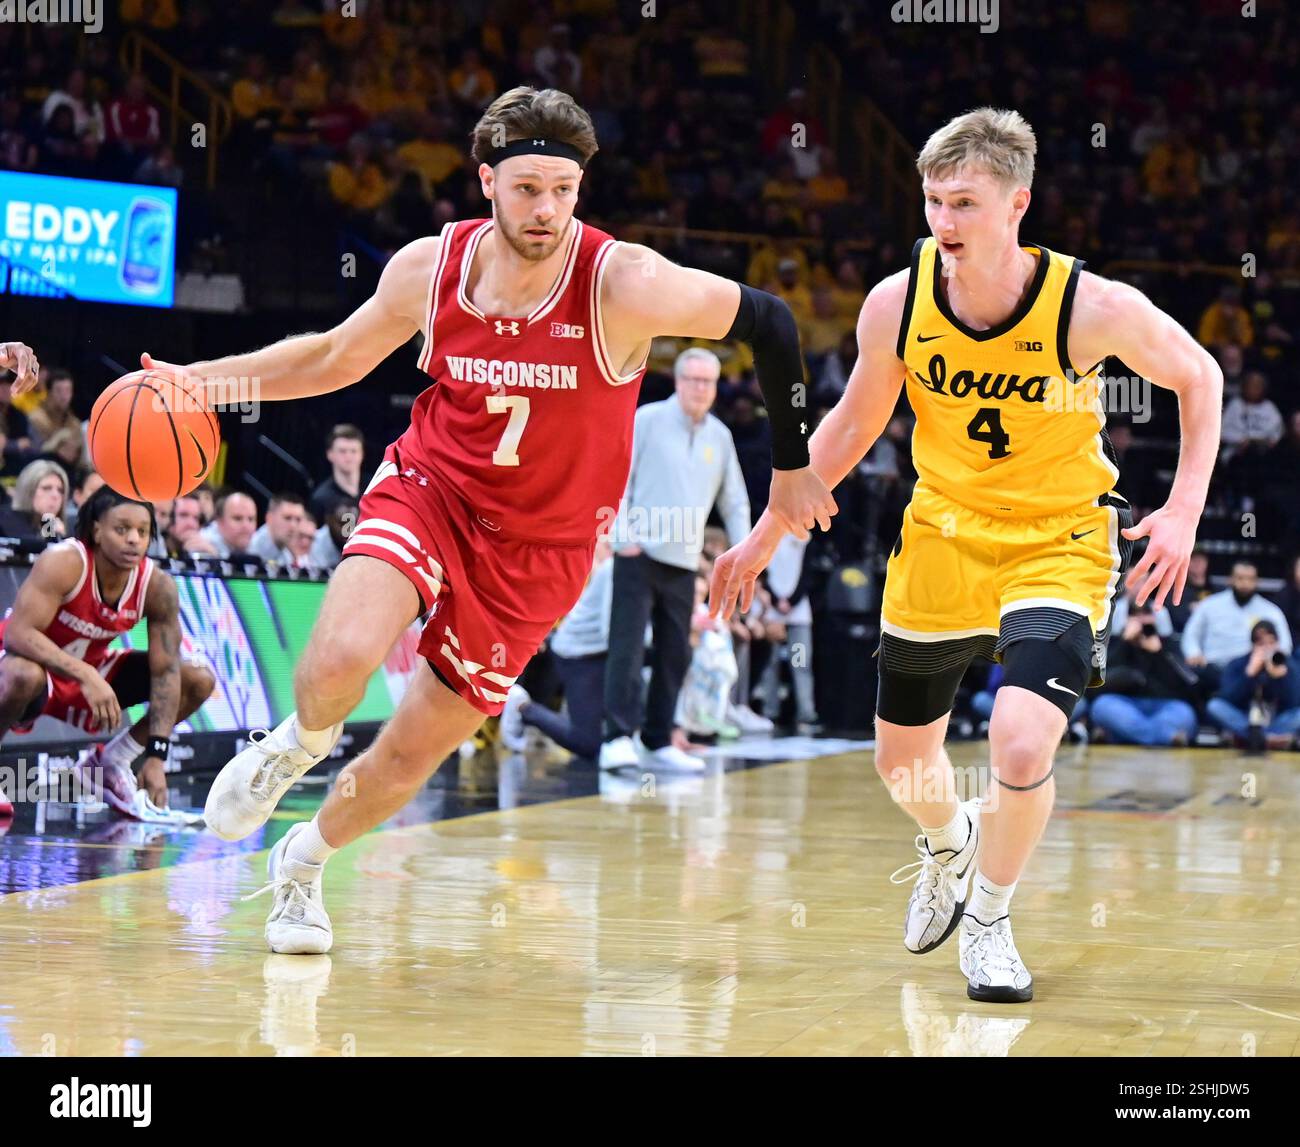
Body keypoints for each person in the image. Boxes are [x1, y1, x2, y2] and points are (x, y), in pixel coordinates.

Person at [109, 86, 831, 954]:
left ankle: (302, 863)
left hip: (542, 551)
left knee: (410, 754)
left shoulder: (622, 282)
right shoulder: (430, 267)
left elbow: (775, 321)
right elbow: (335, 355)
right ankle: (292, 745)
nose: (549, 210)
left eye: (565, 190)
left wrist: (792, 466)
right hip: (434, 487)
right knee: (337, 660)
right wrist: (207, 381)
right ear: (486, 180)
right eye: (528, 188)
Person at [711, 108, 1222, 1003]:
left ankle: (990, 914)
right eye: (933, 201)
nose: (943, 223)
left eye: (965, 203)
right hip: (943, 534)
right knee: (900, 760)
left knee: (1020, 744)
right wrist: (761, 536)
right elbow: (852, 427)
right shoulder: (897, 301)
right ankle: (949, 843)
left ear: (1018, 203)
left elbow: (1199, 376)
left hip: (1059, 539)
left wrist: (1183, 508)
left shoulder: (1087, 305)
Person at [0, 488, 215, 818]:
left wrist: (157, 755)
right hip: (28, 663)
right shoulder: (66, 561)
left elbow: (166, 672)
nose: (133, 539)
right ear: (97, 530)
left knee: (197, 680)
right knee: (21, 674)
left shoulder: (156, 586)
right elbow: (18, 634)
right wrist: (85, 674)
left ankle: (113, 761)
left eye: (142, 532)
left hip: (89, 669)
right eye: (122, 529)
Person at [601, 348, 752, 770]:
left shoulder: (720, 436)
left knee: (675, 654)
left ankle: (657, 739)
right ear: (678, 381)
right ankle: (616, 737)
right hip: (638, 553)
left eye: (709, 382)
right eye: (694, 380)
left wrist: (744, 554)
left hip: (685, 562)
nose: (701, 389)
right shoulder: (646, 420)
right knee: (627, 649)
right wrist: (621, 537)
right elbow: (615, 476)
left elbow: (735, 500)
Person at [499, 534, 614, 760]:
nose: (607, 549)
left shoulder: (601, 568)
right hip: (564, 642)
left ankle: (536, 718)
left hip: (572, 641)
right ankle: (523, 710)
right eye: (606, 544)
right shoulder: (603, 567)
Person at [1181, 560, 1292, 693]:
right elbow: (1191, 634)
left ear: (1257, 582)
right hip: (1213, 667)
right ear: (1230, 580)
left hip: (1253, 670)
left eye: (1250, 579)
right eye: (1240, 578)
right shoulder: (1209, 605)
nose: (1245, 583)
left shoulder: (1271, 611)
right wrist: (1194, 653)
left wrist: (1269, 659)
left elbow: (1285, 646)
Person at [1205, 621, 1300, 750]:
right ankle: (1266, 739)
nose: (1267, 648)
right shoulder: (1238, 664)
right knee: (1215, 706)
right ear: (1253, 645)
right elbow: (1227, 698)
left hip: (1276, 719)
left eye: (1271, 642)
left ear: (1277, 643)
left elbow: (1294, 702)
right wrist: (1249, 674)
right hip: (1246, 719)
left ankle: (1252, 739)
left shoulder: (1287, 664)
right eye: (1261, 644)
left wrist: (1282, 679)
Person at [0, 459, 69, 542]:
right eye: (46, 488)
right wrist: (51, 534)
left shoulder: (53, 525)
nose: (55, 495)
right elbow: (30, 547)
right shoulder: (6, 519)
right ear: (28, 491)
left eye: (60, 490)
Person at [309, 424, 366, 522]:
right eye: (342, 451)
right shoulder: (321, 498)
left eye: (354, 451)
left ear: (362, 454)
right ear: (330, 454)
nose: (348, 457)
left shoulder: (374, 488)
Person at [249, 493, 307, 566]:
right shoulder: (248, 550)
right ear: (269, 519)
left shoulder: (287, 557)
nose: (293, 526)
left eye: (298, 520)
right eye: (287, 518)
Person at [198, 490, 258, 558]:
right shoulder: (202, 545)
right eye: (237, 518)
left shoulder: (258, 545)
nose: (246, 526)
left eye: (251, 519)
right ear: (220, 522)